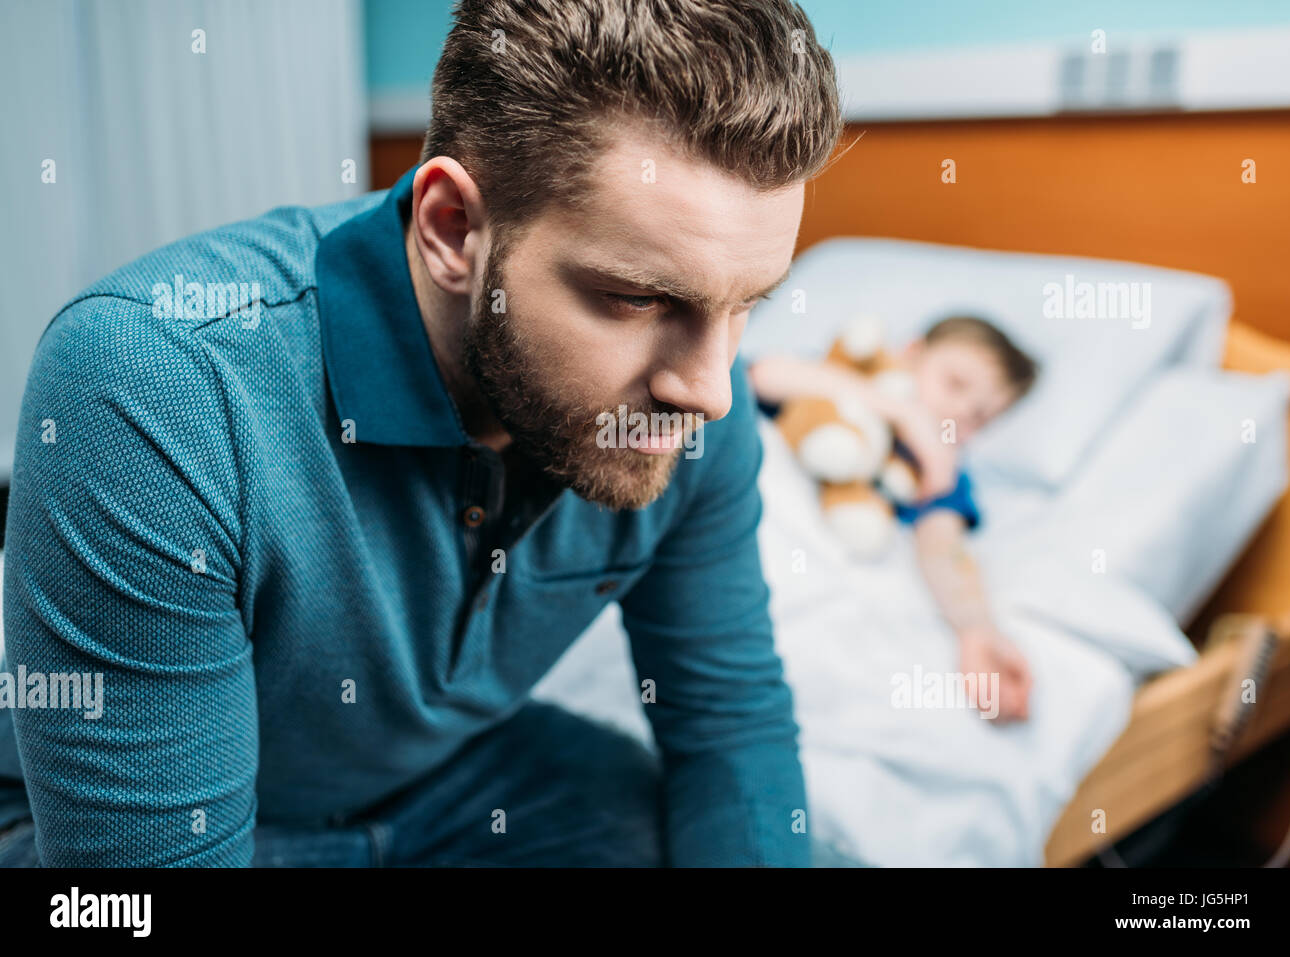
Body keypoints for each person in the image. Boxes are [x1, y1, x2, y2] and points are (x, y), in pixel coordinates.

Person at [0, 0, 846, 866]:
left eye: (748, 303)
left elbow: (726, 722)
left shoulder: (687, 396)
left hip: (460, 787)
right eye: (638, 298)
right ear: (454, 228)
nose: (708, 390)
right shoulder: (152, 382)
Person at [745, 316, 1039, 722]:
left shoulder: (938, 468)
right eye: (954, 384)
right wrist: (902, 413)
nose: (957, 412)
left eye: (978, 419)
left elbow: (943, 546)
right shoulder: (838, 377)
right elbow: (761, 375)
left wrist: (977, 631)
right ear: (911, 353)